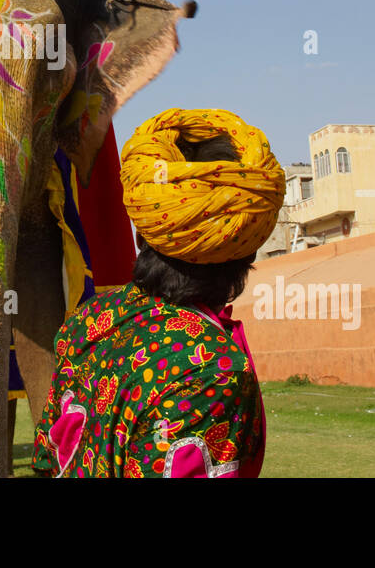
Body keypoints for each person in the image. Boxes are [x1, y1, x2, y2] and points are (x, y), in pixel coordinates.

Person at [31, 108, 283, 477]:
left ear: (142, 231)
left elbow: (46, 460)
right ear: (247, 244)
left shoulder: (86, 323)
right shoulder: (213, 368)